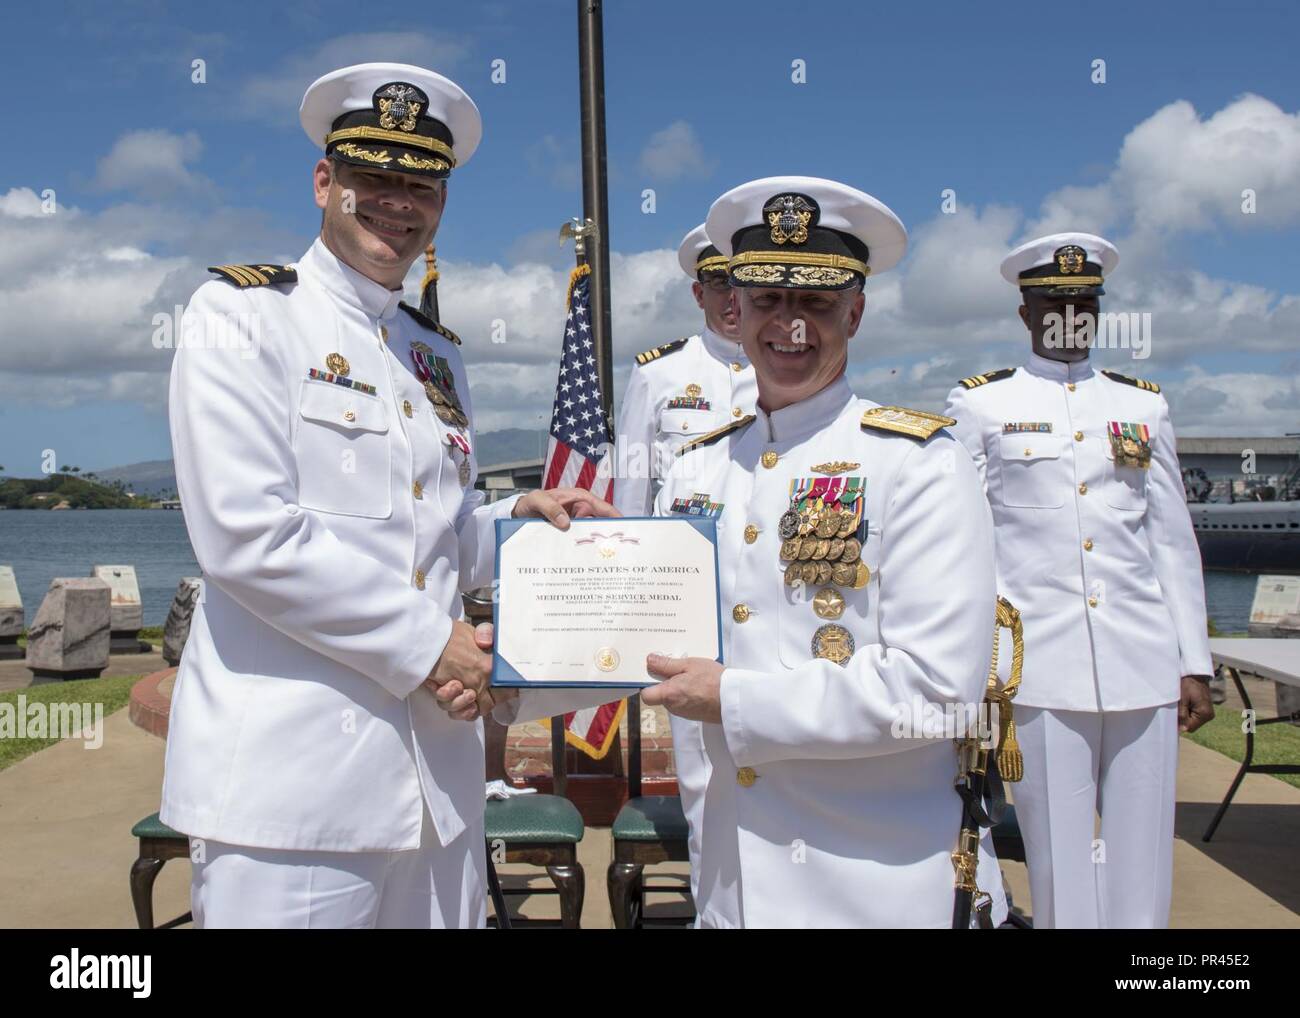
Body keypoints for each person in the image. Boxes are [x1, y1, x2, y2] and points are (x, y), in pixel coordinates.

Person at [164, 62, 615, 928]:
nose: (398, 202)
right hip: (292, 802)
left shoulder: (433, 353)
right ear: (325, 182)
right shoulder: (240, 317)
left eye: (422, 184)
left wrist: (515, 518)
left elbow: (421, 534)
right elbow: (245, 537)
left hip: (438, 791)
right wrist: (432, 644)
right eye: (374, 176)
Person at [641, 176, 1007, 928]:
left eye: (814, 302)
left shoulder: (920, 462)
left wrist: (733, 700)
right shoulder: (694, 469)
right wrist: (509, 677)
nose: (791, 325)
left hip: (875, 887)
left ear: (856, 312)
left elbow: (937, 693)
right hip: (731, 883)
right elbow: (639, 633)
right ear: (734, 311)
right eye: (770, 300)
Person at [943, 232, 1215, 928]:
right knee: (1060, 860)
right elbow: (964, 542)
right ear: (1026, 313)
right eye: (1054, 301)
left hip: (1143, 662)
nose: (1071, 313)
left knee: (1143, 860)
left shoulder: (1143, 407)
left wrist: (1194, 663)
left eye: (1085, 301)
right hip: (1039, 670)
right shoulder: (982, 406)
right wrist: (975, 663)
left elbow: (1170, 540)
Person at [612, 222, 756, 914]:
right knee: (705, 796)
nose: (734, 298)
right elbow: (630, 505)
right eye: (719, 284)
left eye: (744, 282)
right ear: (699, 291)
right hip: (689, 617)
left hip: (776, 613)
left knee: (784, 790)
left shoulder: (791, 363)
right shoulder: (659, 374)